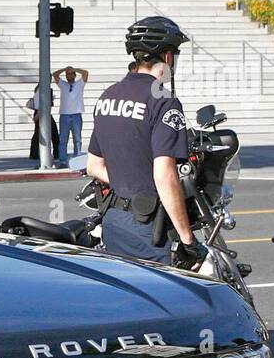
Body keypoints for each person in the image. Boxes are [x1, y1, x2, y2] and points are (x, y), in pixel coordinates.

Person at [86, 16, 204, 267]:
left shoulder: (109, 95)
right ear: (167, 56)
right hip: (148, 229)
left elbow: (94, 166)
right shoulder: (163, 100)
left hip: (113, 221)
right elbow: (165, 175)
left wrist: (128, 180)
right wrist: (187, 239)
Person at [52, 65, 89, 164]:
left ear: (74, 75)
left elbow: (85, 73)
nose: (69, 76)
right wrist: (64, 69)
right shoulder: (63, 84)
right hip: (64, 115)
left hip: (76, 114)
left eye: (70, 74)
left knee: (77, 139)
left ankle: (77, 159)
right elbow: (55, 75)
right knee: (63, 139)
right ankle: (63, 160)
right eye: (67, 74)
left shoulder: (79, 84)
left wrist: (74, 69)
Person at [26, 83, 60, 166]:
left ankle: (34, 154)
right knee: (53, 134)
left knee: (38, 133)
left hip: (39, 112)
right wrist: (38, 114)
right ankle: (56, 153)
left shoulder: (38, 89)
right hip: (42, 112)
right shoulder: (47, 90)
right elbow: (46, 103)